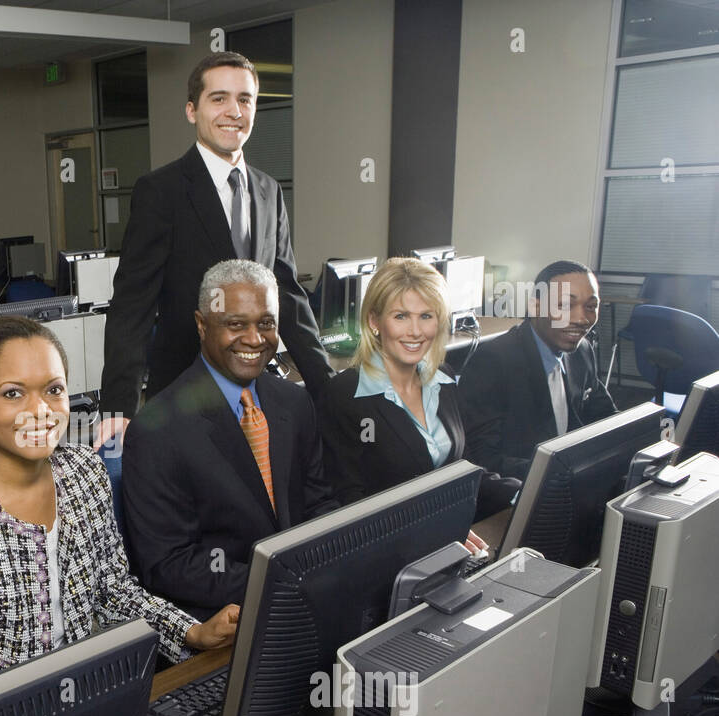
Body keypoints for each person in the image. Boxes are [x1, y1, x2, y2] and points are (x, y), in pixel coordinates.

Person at [0, 315, 239, 702]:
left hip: (88, 698)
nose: (40, 409)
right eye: (13, 393)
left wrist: (193, 632)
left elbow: (114, 594)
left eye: (53, 390)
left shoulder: (84, 472)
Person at [95, 51, 331, 449]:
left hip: (258, 386)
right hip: (184, 394)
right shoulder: (161, 191)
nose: (233, 111)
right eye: (219, 98)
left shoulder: (269, 191)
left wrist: (326, 387)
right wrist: (119, 406)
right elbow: (132, 305)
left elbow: (287, 293)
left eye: (245, 99)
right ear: (192, 110)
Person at [121, 260, 334, 619]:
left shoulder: (294, 402)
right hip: (224, 620)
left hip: (309, 598)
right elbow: (168, 562)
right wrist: (282, 581)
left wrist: (333, 560)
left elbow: (318, 503)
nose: (254, 339)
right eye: (235, 324)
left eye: (266, 324)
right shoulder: (156, 431)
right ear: (202, 326)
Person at [319, 257, 520, 519]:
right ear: (374, 322)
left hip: (448, 530)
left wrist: (518, 492)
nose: (415, 331)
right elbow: (351, 500)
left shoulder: (443, 378)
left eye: (426, 316)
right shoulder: (346, 395)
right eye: (401, 316)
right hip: (391, 547)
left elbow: (461, 470)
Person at [458, 260, 617, 481]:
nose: (581, 319)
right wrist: (561, 471)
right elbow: (482, 458)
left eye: (590, 307)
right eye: (564, 305)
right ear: (535, 306)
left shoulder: (582, 351)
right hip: (520, 490)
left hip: (571, 482)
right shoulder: (494, 361)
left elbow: (605, 416)